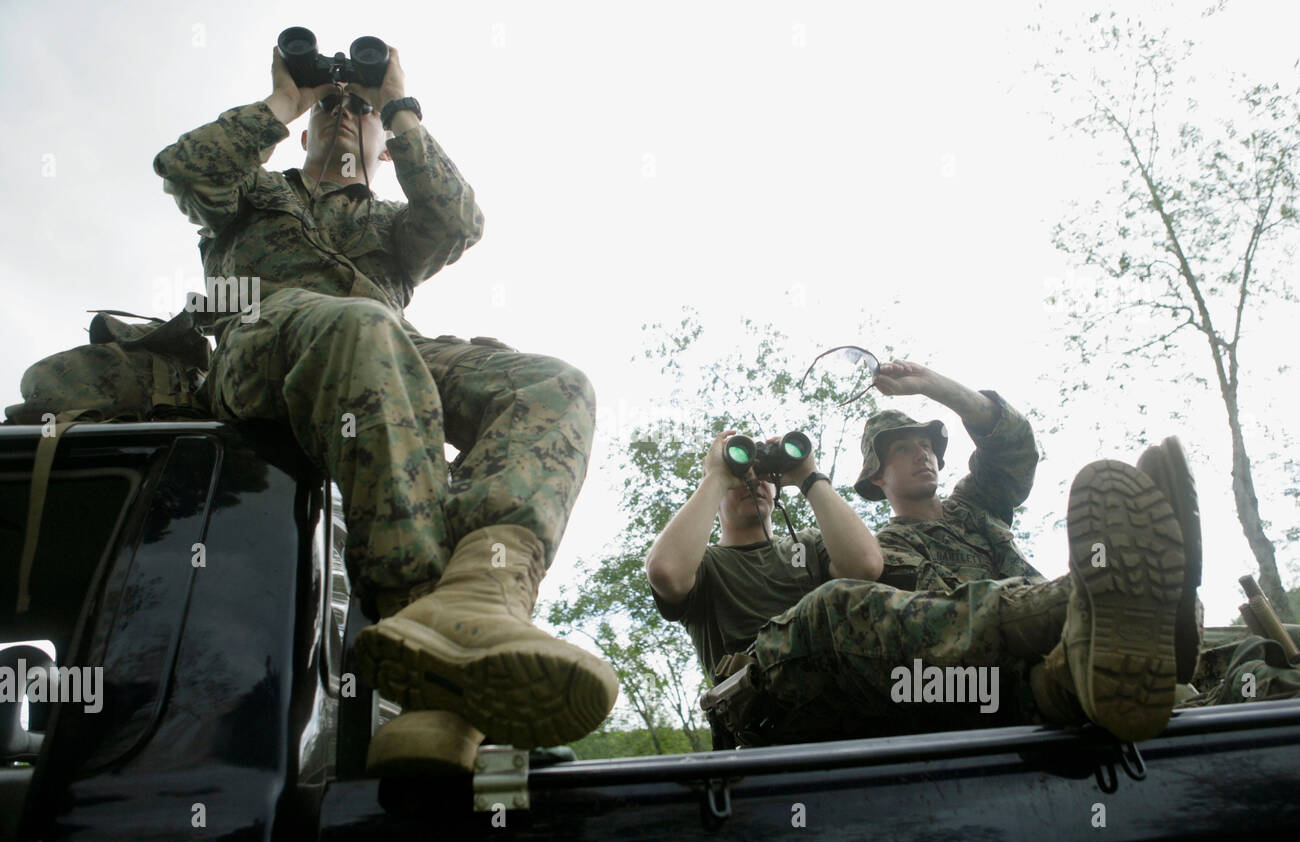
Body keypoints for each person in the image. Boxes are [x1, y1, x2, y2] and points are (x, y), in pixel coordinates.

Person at [154, 44, 617, 774]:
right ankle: (421, 629)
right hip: (265, 347)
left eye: (358, 109)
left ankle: (478, 600)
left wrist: (399, 106)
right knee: (361, 326)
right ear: (306, 132)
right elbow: (185, 167)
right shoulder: (248, 196)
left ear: (381, 143)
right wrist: (285, 99)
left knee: (553, 384)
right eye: (331, 107)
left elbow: (461, 219)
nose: (345, 113)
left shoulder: (395, 227)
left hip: (386, 360)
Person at [688, 360, 1209, 746]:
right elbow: (934, 660)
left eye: (929, 445)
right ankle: (1097, 599)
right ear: (875, 475)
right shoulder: (881, 554)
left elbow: (1013, 447)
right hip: (993, 687)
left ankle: (1166, 622)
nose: (923, 453)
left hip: (1100, 656)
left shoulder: (977, 508)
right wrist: (805, 476)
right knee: (946, 666)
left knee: (1238, 663)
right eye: (902, 448)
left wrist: (931, 385)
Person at [645, 430, 884, 683]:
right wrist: (716, 476)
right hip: (761, 709)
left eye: (762, 474)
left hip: (838, 697)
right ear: (713, 495)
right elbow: (665, 571)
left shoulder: (807, 545)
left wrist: (808, 476)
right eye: (740, 474)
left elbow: (865, 565)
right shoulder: (703, 565)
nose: (754, 481)